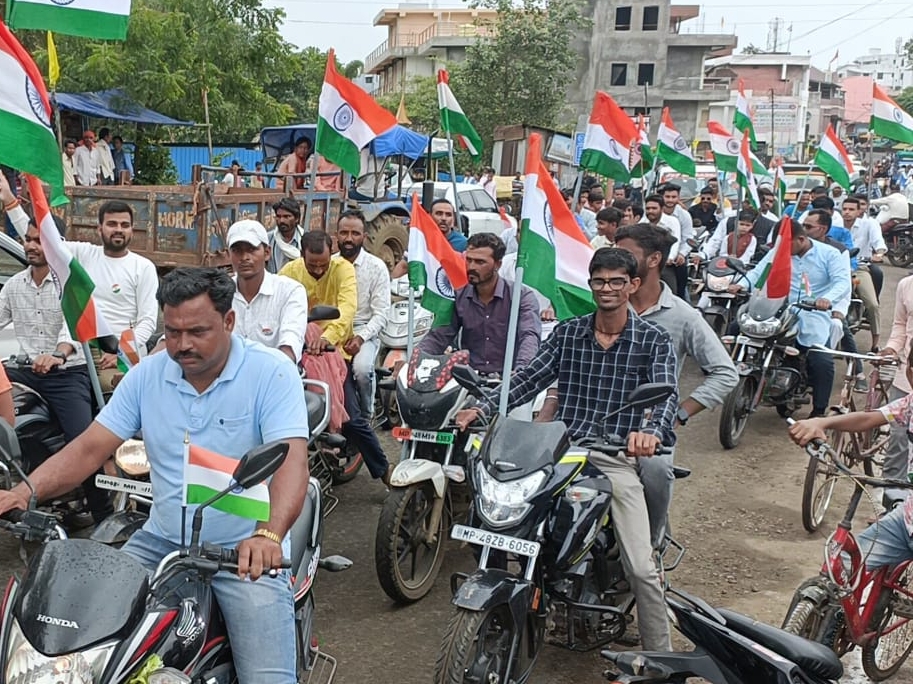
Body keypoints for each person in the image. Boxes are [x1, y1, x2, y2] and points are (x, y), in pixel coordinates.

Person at [0, 267, 310, 683]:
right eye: (172, 332)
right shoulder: (148, 374)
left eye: (197, 331)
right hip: (159, 540)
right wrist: (25, 490)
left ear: (229, 321)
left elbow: (291, 462)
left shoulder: (271, 372)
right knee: (88, 635)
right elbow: (91, 447)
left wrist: (268, 535)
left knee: (268, 679)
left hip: (242, 552)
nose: (182, 345)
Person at [455, 247, 678, 652]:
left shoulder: (653, 340)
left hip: (613, 458)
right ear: (589, 284)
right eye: (599, 281)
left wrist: (649, 432)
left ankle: (661, 660)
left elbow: (664, 398)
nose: (606, 289)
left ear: (633, 285)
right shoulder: (570, 332)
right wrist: (482, 407)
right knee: (497, 519)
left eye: (615, 282)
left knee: (643, 569)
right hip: (559, 452)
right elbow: (529, 378)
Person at [615, 224, 738, 548]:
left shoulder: (683, 316)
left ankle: (653, 544)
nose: (617, 261)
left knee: (655, 471)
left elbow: (725, 373)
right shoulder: (605, 304)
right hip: (595, 416)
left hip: (649, 424)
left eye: (626, 254)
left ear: (654, 259)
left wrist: (678, 415)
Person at [2, 178, 159, 392]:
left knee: (113, 391)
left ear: (133, 230)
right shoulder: (84, 255)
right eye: (112, 224)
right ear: (99, 228)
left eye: (125, 225)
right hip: (79, 348)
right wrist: (10, 202)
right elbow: (43, 239)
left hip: (119, 351)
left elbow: (148, 322)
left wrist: (119, 351)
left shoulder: (143, 267)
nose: (118, 230)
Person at [0, 212, 105, 522]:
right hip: (26, 369)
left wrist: (58, 354)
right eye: (27, 239)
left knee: (83, 442)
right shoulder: (15, 284)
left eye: (38, 240)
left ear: (56, 246)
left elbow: (73, 329)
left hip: (66, 373)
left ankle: (103, 513)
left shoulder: (68, 282)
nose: (31, 246)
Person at [280, 231, 392, 484]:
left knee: (351, 418)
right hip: (295, 352)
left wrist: (326, 339)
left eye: (323, 264)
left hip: (335, 353)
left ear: (332, 253)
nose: (319, 270)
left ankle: (384, 470)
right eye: (312, 265)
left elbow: (347, 310)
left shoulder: (343, 269)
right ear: (301, 256)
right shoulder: (288, 272)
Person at [788, 355, 913, 575]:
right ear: (910, 374)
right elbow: (868, 419)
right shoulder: (909, 404)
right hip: (906, 523)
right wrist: (821, 422)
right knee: (838, 573)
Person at [730, 219, 850, 417]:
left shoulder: (830, 254)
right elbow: (759, 271)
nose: (782, 250)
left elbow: (842, 282)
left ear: (801, 239)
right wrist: (741, 285)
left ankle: (819, 410)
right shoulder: (779, 249)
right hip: (778, 309)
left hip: (813, 312)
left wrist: (826, 299)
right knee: (736, 328)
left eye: (787, 245)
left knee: (821, 362)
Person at [419, 232, 540, 377]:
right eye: (469, 260)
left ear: (498, 264)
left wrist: (522, 371)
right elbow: (438, 336)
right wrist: (415, 362)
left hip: (509, 380)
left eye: (480, 262)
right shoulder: (459, 295)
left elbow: (529, 336)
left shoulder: (521, 296)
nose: (471, 266)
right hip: (468, 380)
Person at [335, 210, 390, 418]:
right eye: (344, 233)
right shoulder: (329, 264)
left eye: (355, 234)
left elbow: (381, 314)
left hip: (363, 331)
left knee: (362, 370)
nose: (349, 239)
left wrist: (360, 337)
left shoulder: (376, 268)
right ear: (336, 235)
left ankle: (367, 416)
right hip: (334, 330)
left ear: (364, 237)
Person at [228, 220, 308, 363]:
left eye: (251, 249)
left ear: (266, 253)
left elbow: (290, 346)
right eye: (237, 251)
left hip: (275, 377)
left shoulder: (290, 291)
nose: (244, 257)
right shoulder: (219, 293)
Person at [842, 195, 885, 351]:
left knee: (872, 304)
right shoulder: (835, 225)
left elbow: (878, 242)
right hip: (837, 269)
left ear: (859, 210)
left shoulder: (869, 224)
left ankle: (875, 343)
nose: (847, 212)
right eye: (844, 209)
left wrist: (879, 253)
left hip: (859, 268)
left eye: (851, 209)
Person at [660, 183, 695, 300]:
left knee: (680, 291)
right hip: (658, 256)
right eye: (667, 197)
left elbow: (688, 238)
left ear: (678, 198)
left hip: (677, 260)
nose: (670, 200)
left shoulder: (684, 215)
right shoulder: (655, 212)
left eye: (673, 197)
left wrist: (681, 254)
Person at [641, 194, 681, 293]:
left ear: (662, 209)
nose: (650, 211)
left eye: (654, 208)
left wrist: (669, 258)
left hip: (666, 264)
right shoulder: (642, 224)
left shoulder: (672, 222)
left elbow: (676, 242)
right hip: (647, 264)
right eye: (648, 208)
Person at [268, 198, 305, 274]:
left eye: (286, 217)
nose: (281, 220)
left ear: (297, 219)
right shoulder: (268, 239)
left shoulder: (305, 240)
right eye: (278, 216)